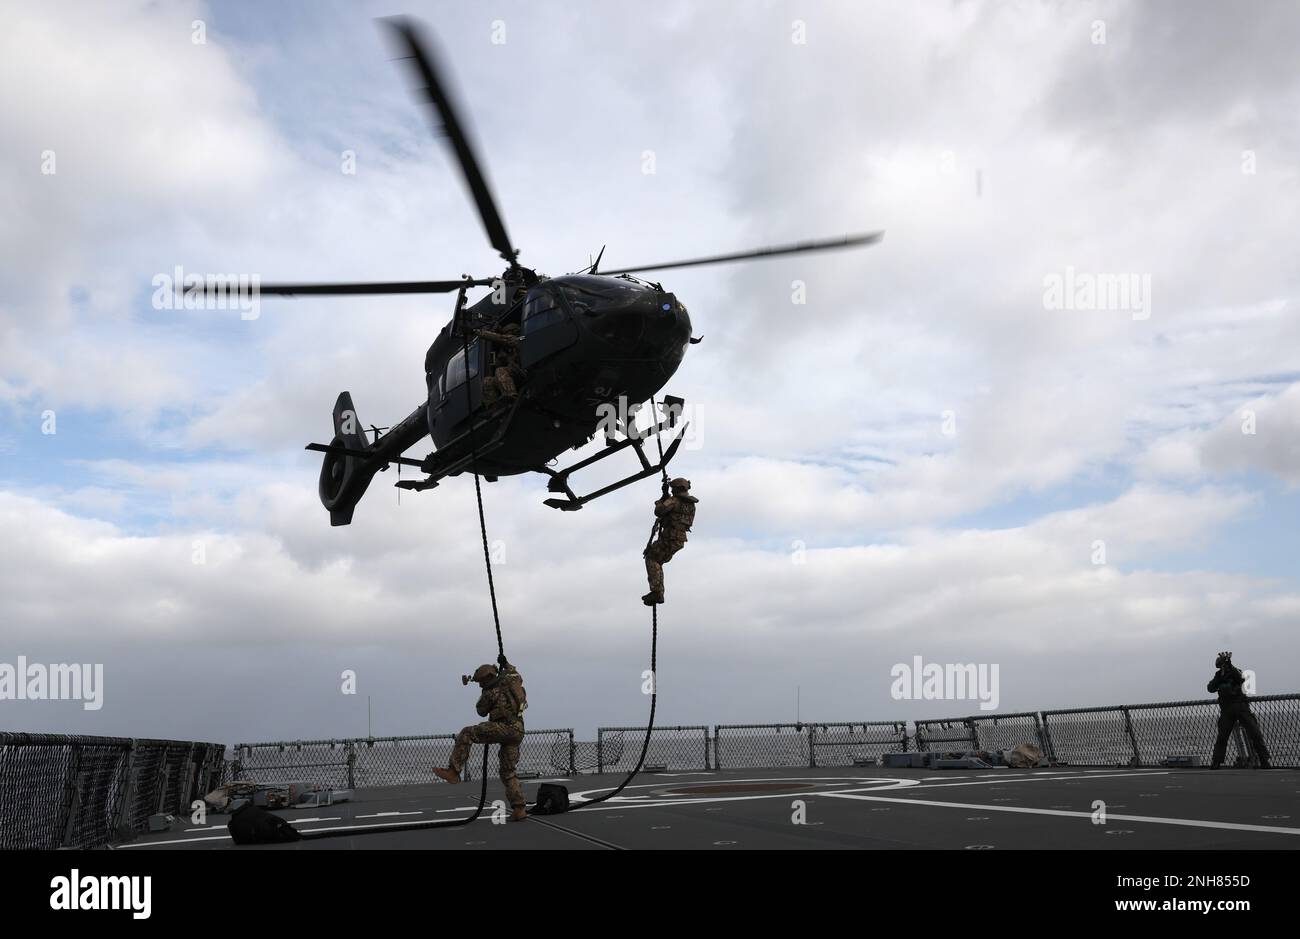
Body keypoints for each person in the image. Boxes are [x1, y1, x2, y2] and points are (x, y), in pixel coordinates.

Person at [433, 661, 529, 820]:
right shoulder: (513, 679)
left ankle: (454, 771)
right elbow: (514, 670)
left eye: (482, 682)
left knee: (467, 733)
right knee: (508, 772)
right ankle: (519, 808)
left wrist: (486, 691)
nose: (480, 685)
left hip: (504, 728)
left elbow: (481, 711)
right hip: (518, 730)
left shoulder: (491, 692)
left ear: (488, 678)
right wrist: (505, 663)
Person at [1207, 651, 1271, 769]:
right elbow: (1210, 688)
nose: (1223, 667)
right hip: (1227, 710)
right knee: (1222, 737)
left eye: (1224, 664)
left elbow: (1240, 678)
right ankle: (1216, 762)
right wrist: (1220, 677)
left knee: (1254, 733)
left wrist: (1230, 665)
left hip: (1241, 707)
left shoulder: (1235, 671)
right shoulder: (1218, 676)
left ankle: (1264, 760)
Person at [642, 477, 698, 605]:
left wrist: (660, 502)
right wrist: (665, 495)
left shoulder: (674, 500)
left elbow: (659, 511)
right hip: (679, 539)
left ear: (677, 489)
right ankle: (658, 592)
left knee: (652, 558)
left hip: (669, 537)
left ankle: (657, 592)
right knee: (658, 560)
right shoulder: (690, 505)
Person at [477, 323, 524, 405]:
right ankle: (493, 405)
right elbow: (498, 364)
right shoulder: (506, 350)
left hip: (523, 371)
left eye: (507, 333)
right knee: (487, 381)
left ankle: (511, 395)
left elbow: (501, 338)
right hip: (513, 374)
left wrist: (476, 332)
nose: (506, 336)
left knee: (500, 371)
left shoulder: (518, 339)